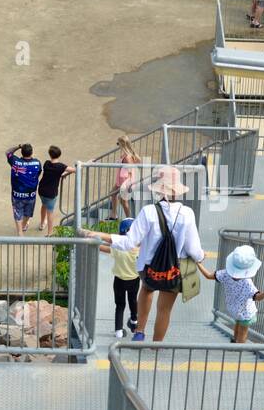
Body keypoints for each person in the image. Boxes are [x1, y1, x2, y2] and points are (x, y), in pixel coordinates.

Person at [83, 167, 205, 342]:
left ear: (159, 190)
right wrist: (201, 257)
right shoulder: (187, 213)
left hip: (148, 267)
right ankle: (156, 346)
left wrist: (101, 235)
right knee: (165, 310)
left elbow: (128, 243)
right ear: (177, 191)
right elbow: (193, 249)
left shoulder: (149, 212)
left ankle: (139, 332)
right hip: (175, 268)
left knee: (147, 289)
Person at [197, 244, 264, 344]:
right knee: (243, 332)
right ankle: (239, 348)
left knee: (237, 325)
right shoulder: (247, 283)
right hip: (245, 312)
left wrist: (198, 263)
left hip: (234, 309)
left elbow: (208, 275)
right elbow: (257, 297)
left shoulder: (225, 274)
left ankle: (234, 341)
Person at [97, 217, 140, 338]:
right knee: (133, 300)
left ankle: (118, 332)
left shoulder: (117, 249)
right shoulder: (140, 250)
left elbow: (102, 247)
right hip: (134, 279)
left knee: (120, 305)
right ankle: (134, 320)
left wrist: (93, 241)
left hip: (119, 280)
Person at [37, 145, 76, 234]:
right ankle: (50, 233)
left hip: (42, 190)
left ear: (50, 154)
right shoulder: (60, 166)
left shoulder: (46, 163)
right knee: (50, 212)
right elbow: (74, 170)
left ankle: (42, 223)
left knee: (43, 205)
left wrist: (61, 173)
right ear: (59, 155)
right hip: (51, 193)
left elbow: (55, 172)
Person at [6, 143, 41, 235]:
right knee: (28, 213)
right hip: (31, 195)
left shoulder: (14, 161)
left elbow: (8, 152)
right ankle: (24, 226)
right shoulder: (37, 163)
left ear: (21, 152)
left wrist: (18, 146)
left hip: (17, 194)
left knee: (18, 213)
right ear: (31, 152)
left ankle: (20, 232)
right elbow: (38, 174)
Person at [111, 136, 140, 219]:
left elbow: (131, 169)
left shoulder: (127, 157)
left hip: (125, 180)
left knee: (123, 201)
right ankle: (114, 214)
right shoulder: (125, 155)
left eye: (118, 144)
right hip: (120, 179)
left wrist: (130, 183)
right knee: (113, 194)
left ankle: (129, 218)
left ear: (122, 144)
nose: (118, 145)